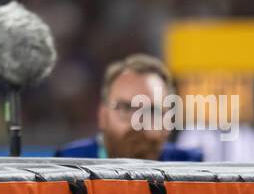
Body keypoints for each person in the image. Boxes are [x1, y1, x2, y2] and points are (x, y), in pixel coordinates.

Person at [55, 53, 203, 161]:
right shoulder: (67, 166)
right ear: (103, 116)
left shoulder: (190, 170)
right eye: (125, 108)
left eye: (151, 111)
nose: (137, 123)